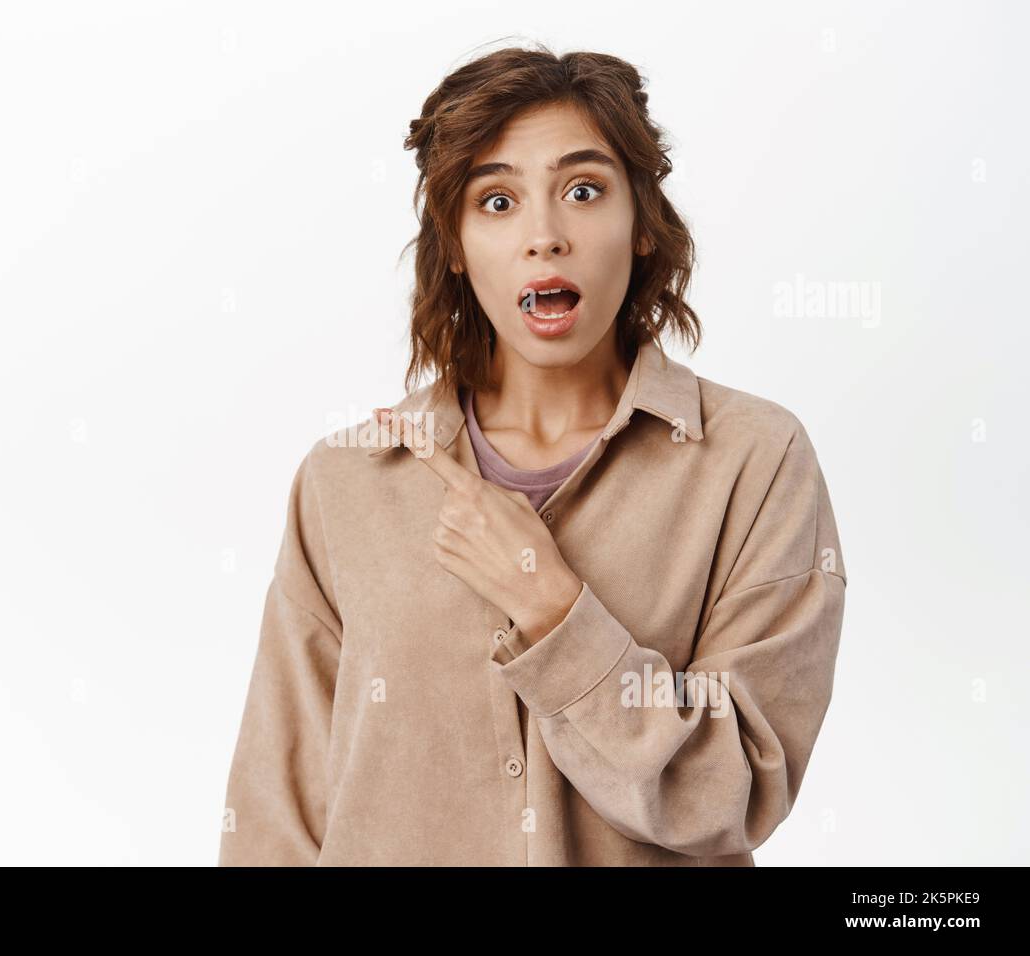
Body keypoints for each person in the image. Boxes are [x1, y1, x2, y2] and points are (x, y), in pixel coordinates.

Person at [218, 44, 847, 866]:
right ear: (454, 243)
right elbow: (278, 812)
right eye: (498, 200)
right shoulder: (346, 482)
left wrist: (552, 607)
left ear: (643, 225)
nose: (544, 236)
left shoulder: (755, 463)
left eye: (583, 191)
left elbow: (736, 790)